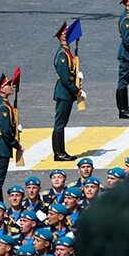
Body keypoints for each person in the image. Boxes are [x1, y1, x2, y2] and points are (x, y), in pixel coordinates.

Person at [0, 75, 22, 203]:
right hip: (0, 147)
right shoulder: (3, 107)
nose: (11, 86)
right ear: (2, 89)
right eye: (8, 84)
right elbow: (6, 132)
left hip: (0, 146)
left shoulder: (4, 104)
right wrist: (16, 144)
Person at [52, 22, 82, 162]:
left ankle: (60, 151)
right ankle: (59, 152)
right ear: (60, 37)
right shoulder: (62, 55)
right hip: (64, 92)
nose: (66, 36)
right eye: (64, 34)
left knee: (61, 123)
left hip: (66, 91)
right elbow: (65, 77)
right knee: (60, 124)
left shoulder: (67, 51)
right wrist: (76, 90)